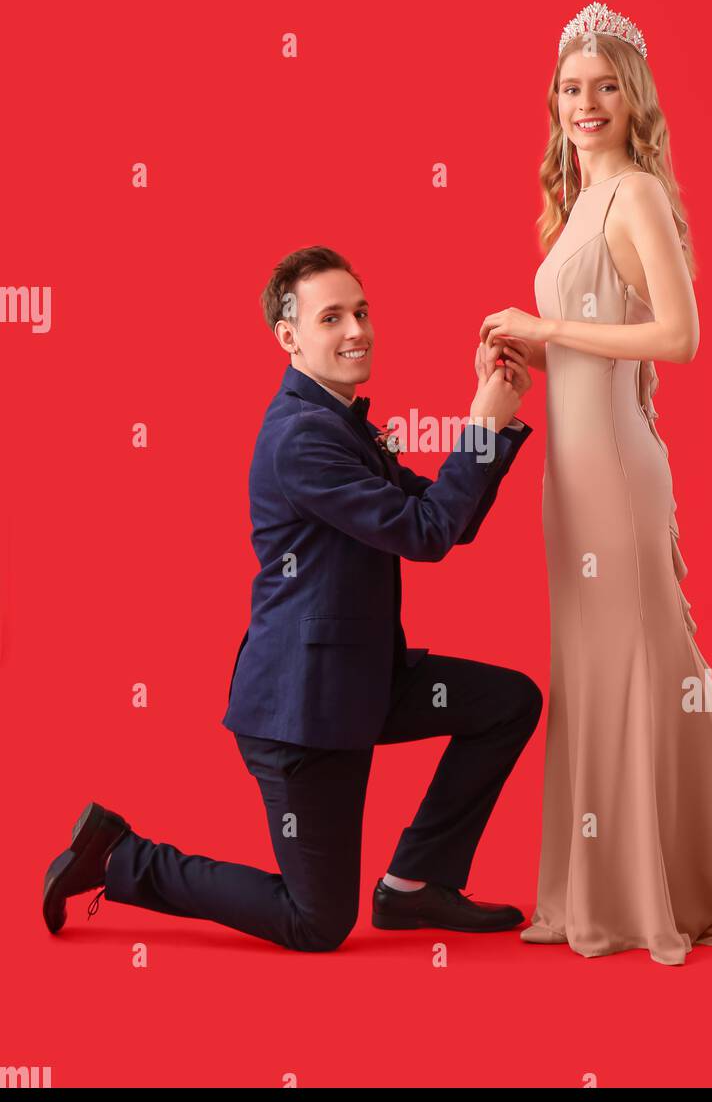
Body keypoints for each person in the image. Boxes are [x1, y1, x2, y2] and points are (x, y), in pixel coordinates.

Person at [43, 246, 542, 950]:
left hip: (363, 681)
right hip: (303, 713)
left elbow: (443, 520)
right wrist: (480, 425)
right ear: (289, 337)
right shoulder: (302, 439)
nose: (356, 331)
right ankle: (122, 858)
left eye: (362, 312)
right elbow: (427, 535)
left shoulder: (338, 424)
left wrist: (499, 427)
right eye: (331, 317)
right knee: (317, 922)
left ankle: (414, 883)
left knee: (509, 701)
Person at [481, 1, 712, 966]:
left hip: (617, 473)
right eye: (572, 88)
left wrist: (550, 332)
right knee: (594, 672)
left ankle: (670, 887)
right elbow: (585, 350)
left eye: (605, 87)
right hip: (569, 476)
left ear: (633, 101)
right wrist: (520, 361)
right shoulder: (575, 201)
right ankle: (608, 884)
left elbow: (680, 337)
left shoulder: (638, 197)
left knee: (642, 666)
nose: (586, 103)